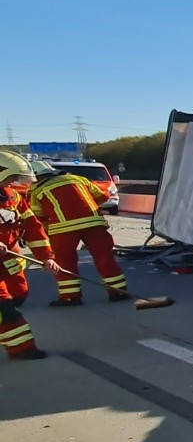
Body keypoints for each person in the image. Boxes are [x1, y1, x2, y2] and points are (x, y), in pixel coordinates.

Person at [28, 162, 129, 306]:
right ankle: (118, 292)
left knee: (65, 261)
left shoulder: (37, 190)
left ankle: (70, 297)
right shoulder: (78, 179)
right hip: (94, 224)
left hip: (63, 229)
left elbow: (38, 214)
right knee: (104, 257)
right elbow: (102, 196)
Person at [0, 153, 61, 360]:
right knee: (5, 308)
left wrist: (47, 256)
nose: (14, 183)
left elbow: (33, 227)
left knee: (19, 294)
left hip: (7, 260)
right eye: (12, 177)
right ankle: (22, 349)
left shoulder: (13, 197)